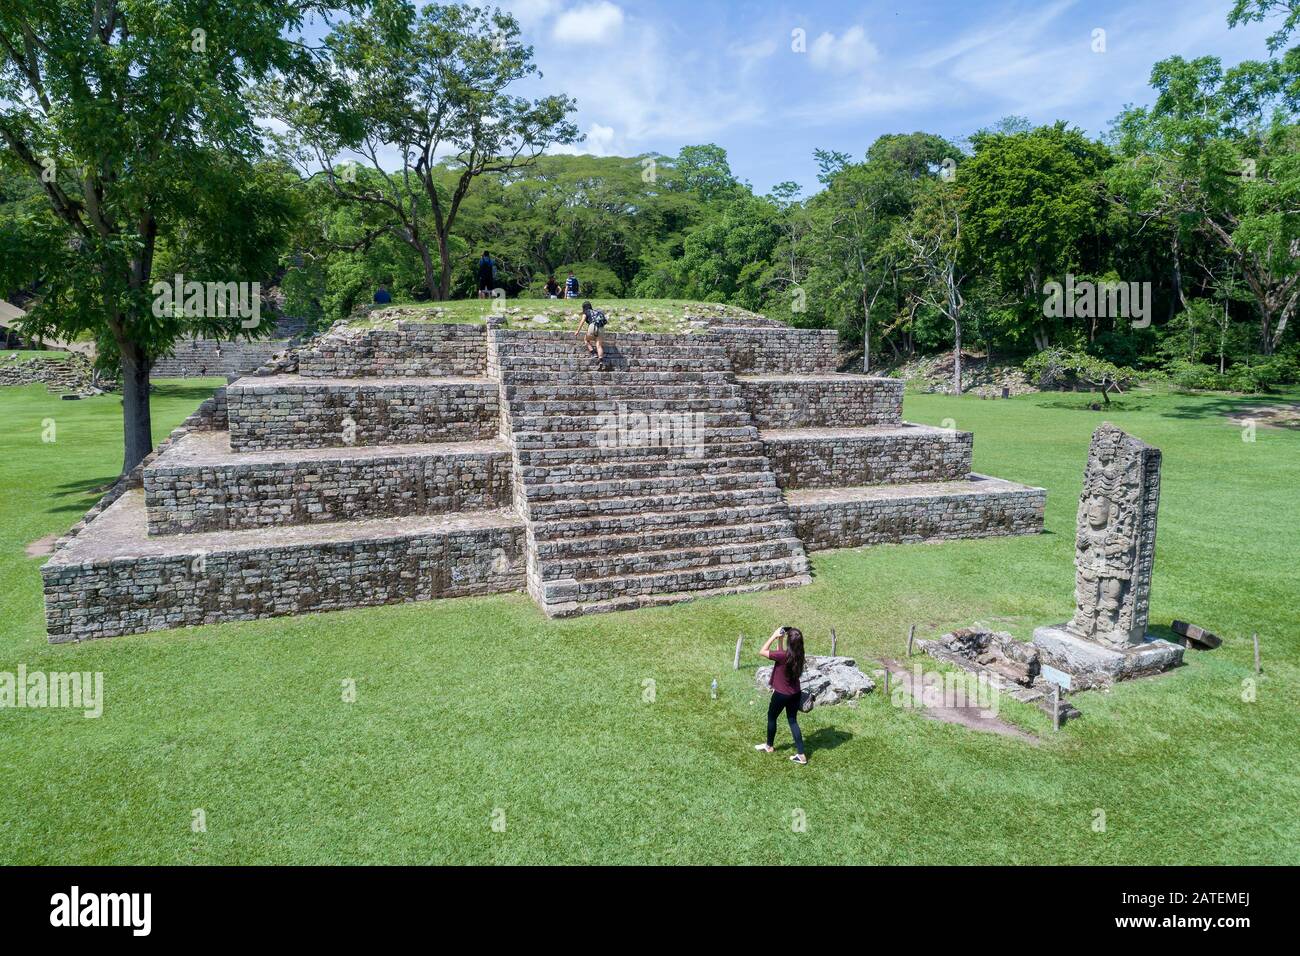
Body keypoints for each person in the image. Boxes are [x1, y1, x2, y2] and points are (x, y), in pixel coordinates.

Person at [755, 626, 807, 764]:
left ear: (789, 643)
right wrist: (781, 639)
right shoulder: (799, 655)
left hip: (781, 694)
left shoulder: (784, 656)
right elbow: (781, 655)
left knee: (771, 717)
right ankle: (801, 755)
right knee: (792, 720)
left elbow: (762, 651)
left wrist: (773, 636)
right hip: (795, 693)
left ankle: (769, 746)